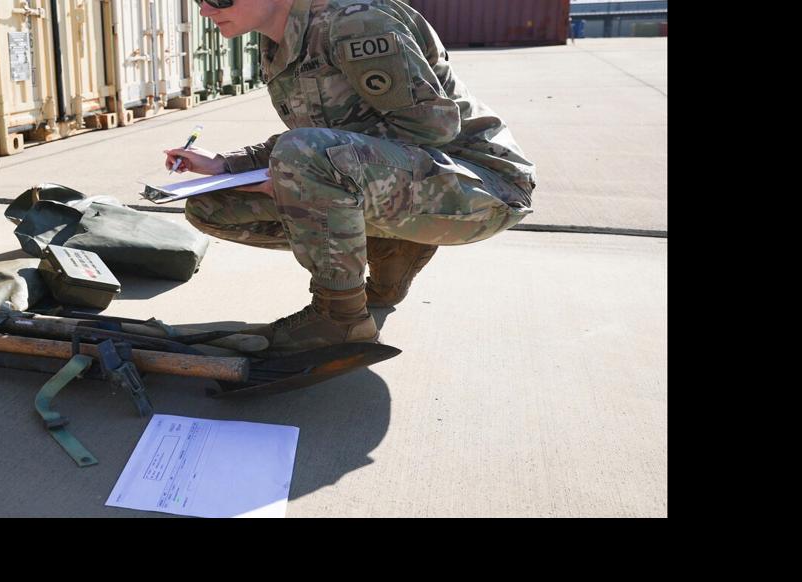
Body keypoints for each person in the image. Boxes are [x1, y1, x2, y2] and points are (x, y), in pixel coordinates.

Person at [167, 0, 536, 355]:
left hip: (481, 186)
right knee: (210, 206)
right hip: (408, 179)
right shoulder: (279, 44)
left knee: (304, 159)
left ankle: (340, 317)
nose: (205, 10)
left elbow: (433, 128)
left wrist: (300, 177)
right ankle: (390, 247)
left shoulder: (353, 23)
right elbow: (330, 136)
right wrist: (222, 166)